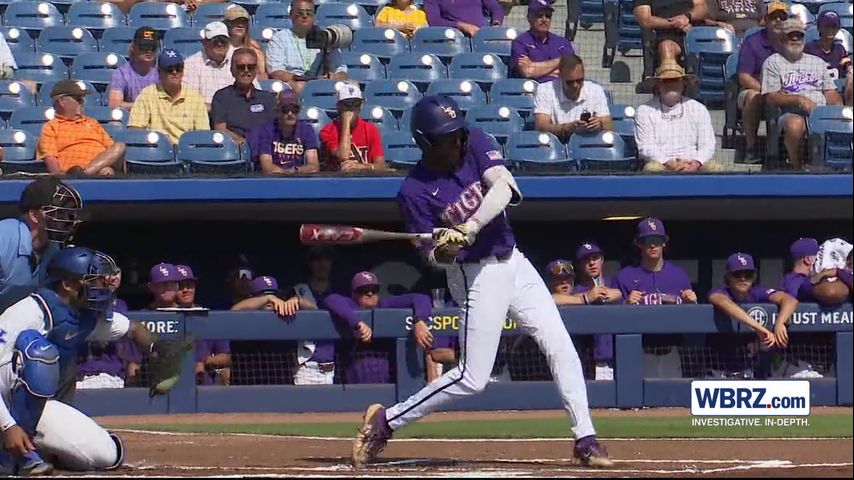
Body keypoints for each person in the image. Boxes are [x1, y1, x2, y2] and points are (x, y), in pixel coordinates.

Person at [351, 95, 612, 468]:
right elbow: (433, 259)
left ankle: (585, 437)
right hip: (474, 274)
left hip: (513, 261)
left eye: (457, 133)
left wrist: (469, 227)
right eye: (447, 137)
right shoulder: (414, 192)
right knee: (472, 378)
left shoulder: (474, 140)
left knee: (560, 346)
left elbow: (504, 188)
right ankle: (386, 421)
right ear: (426, 143)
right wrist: (447, 247)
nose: (457, 141)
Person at [0, 248, 166, 474]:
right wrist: (7, 426)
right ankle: (10, 455)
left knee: (107, 455)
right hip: (5, 408)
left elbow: (133, 329)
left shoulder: (79, 316)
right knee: (39, 354)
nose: (100, 287)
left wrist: (159, 349)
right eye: (92, 281)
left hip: (31, 410)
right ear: (67, 284)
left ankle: (32, 447)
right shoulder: (26, 313)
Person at [761, 18, 843, 170]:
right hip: (790, 112)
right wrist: (799, 99)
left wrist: (838, 109)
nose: (795, 39)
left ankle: (836, 167)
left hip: (819, 111)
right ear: (781, 39)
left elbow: (830, 92)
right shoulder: (773, 62)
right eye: (790, 35)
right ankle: (798, 168)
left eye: (799, 36)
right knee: (795, 125)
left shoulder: (816, 62)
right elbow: (771, 97)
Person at [325, 272, 433, 385]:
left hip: (384, 375)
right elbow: (331, 299)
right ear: (354, 294)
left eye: (374, 289)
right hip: (354, 374)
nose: (370, 293)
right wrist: (357, 323)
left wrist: (419, 320)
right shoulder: (350, 305)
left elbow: (421, 298)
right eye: (364, 290)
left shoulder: (385, 304)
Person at [0, 177, 82, 312]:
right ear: (34, 215)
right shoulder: (4, 237)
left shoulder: (54, 249)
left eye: (69, 213)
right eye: (60, 212)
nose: (67, 220)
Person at [634, 61, 723, 172]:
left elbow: (708, 144)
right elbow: (646, 147)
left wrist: (695, 163)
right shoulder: (644, 111)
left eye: (675, 80)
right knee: (652, 168)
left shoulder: (698, 109)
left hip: (694, 164)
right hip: (662, 165)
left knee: (714, 168)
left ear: (683, 84)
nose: (671, 84)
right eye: (666, 81)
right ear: (658, 85)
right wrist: (669, 162)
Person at [735, 2, 787, 164]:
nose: (778, 20)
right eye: (774, 17)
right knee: (753, 96)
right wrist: (767, 90)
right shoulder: (752, 42)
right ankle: (751, 149)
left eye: (782, 17)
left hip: (786, 92)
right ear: (765, 20)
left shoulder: (793, 41)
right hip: (756, 89)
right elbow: (744, 77)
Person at [38, 81, 126, 176]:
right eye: (78, 99)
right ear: (62, 101)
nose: (82, 103)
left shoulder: (92, 123)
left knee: (119, 147)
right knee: (106, 172)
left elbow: (111, 149)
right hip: (70, 172)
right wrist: (59, 177)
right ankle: (83, 175)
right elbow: (50, 157)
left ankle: (84, 173)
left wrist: (85, 172)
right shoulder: (51, 127)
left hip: (92, 170)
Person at [709, 252, 794, 348]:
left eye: (748, 274)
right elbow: (723, 302)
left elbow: (789, 300)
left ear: (754, 277)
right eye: (737, 274)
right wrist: (758, 328)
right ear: (728, 276)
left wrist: (780, 322)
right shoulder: (719, 291)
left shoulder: (757, 292)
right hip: (721, 355)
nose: (743, 278)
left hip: (751, 356)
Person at [128, 49, 210, 144]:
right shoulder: (147, 94)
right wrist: (158, 138)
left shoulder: (195, 98)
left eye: (178, 68)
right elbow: (134, 130)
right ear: (159, 72)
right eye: (169, 69)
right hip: (156, 148)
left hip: (186, 150)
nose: (175, 72)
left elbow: (203, 134)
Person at [266, 0, 348, 94]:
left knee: (353, 85)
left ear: (314, 17)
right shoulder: (279, 38)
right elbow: (276, 73)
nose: (305, 16)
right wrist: (305, 79)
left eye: (309, 13)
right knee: (300, 86)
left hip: (323, 83)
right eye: (300, 13)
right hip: (293, 84)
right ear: (291, 15)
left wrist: (334, 77)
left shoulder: (326, 37)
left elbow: (342, 72)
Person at [613, 217, 697, 305]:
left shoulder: (679, 275)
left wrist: (691, 301)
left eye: (657, 240)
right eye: (647, 240)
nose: (652, 245)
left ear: (664, 242)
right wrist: (626, 303)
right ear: (638, 243)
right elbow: (612, 314)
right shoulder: (624, 277)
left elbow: (689, 312)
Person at [534, 55, 612, 143]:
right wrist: (567, 128)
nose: (575, 85)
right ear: (560, 76)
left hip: (587, 142)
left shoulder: (595, 89)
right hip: (556, 142)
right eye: (570, 82)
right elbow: (541, 126)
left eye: (579, 80)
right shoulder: (545, 90)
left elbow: (609, 125)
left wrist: (599, 124)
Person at [292, 247, 338, 385]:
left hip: (332, 368)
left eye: (326, 259)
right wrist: (296, 301)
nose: (322, 264)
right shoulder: (298, 291)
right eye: (317, 259)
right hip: (306, 368)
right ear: (310, 263)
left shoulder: (337, 293)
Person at [211, 47, 277, 145]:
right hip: (235, 151)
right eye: (241, 67)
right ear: (232, 70)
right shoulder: (221, 97)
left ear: (256, 70)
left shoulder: (267, 98)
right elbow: (220, 131)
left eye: (251, 67)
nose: (246, 70)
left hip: (265, 150)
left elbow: (276, 129)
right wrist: (247, 143)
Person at [246, 90, 320, 174]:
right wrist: (285, 173)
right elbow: (267, 166)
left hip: (298, 177)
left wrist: (295, 170)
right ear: (277, 111)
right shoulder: (267, 130)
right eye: (285, 109)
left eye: (294, 110)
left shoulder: (307, 130)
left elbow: (314, 166)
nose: (290, 114)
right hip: (274, 179)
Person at [319, 83, 387, 172]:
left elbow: (381, 165)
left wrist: (362, 167)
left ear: (361, 106)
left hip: (364, 179)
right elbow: (343, 156)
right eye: (347, 104)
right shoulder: (328, 131)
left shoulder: (371, 129)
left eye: (356, 104)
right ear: (338, 107)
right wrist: (346, 122)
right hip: (338, 180)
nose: (352, 108)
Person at [511, 0, 575, 83]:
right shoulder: (520, 42)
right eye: (539, 16)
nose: (544, 19)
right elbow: (527, 71)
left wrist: (533, 66)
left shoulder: (562, 42)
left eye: (548, 16)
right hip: (532, 91)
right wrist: (560, 61)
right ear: (529, 17)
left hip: (559, 90)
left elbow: (572, 71)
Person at [183, 21, 243, 108]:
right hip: (205, 117)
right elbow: (190, 102)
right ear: (204, 42)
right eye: (215, 40)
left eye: (223, 40)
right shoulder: (191, 64)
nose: (219, 44)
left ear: (229, 42)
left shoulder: (240, 59)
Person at [633, 0, 708, 69]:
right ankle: (671, 79)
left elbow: (702, 7)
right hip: (664, 33)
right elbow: (645, 20)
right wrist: (674, 23)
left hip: (693, 30)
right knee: (666, 47)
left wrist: (687, 17)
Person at [107, 26, 160, 109]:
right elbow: (114, 105)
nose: (149, 51)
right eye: (144, 46)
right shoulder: (121, 73)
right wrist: (146, 106)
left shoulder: (162, 72)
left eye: (152, 47)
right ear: (133, 48)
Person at [805, 11, 852, 82]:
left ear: (838, 29)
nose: (830, 30)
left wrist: (850, 71)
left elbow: (848, 65)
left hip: (836, 89)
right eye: (826, 26)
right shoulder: (808, 49)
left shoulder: (840, 49)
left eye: (834, 26)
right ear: (819, 28)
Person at [224, 4, 268, 80]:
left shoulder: (254, 50)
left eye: (243, 22)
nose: (240, 25)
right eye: (235, 21)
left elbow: (263, 77)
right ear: (227, 24)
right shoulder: (220, 48)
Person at [423, 0, 504, 37]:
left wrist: (496, 25)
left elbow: (496, 8)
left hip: (483, 35)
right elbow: (434, 21)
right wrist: (461, 26)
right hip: (454, 39)